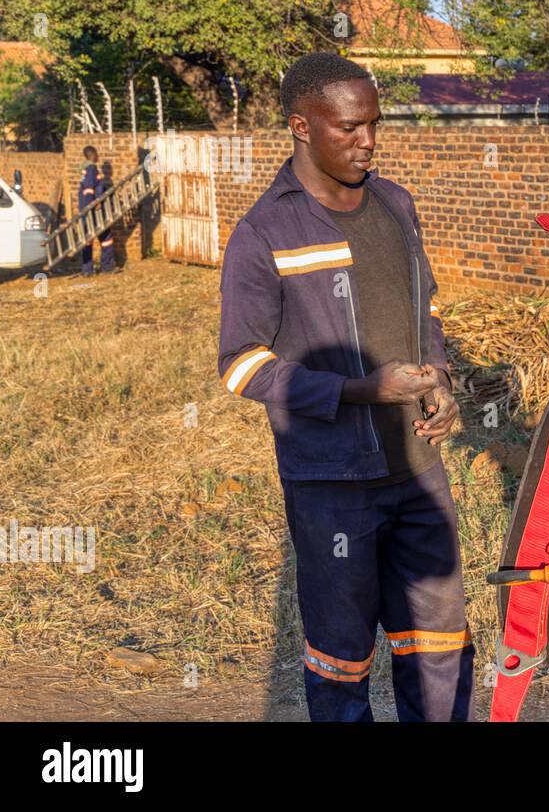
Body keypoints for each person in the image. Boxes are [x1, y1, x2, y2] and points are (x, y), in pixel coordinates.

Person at [217, 52, 472, 722]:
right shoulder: (264, 231)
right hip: (332, 487)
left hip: (419, 474)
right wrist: (360, 390)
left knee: (440, 649)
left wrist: (440, 377)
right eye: (350, 128)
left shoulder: (397, 205)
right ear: (301, 125)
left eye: (375, 125)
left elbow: (428, 313)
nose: (369, 142)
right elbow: (241, 365)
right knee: (341, 662)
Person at [77, 146, 115, 274]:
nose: (98, 156)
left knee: (90, 238)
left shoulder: (85, 168)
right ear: (92, 154)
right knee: (104, 236)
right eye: (96, 153)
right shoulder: (91, 168)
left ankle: (88, 270)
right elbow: (89, 189)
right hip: (92, 209)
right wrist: (94, 204)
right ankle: (107, 266)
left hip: (87, 208)